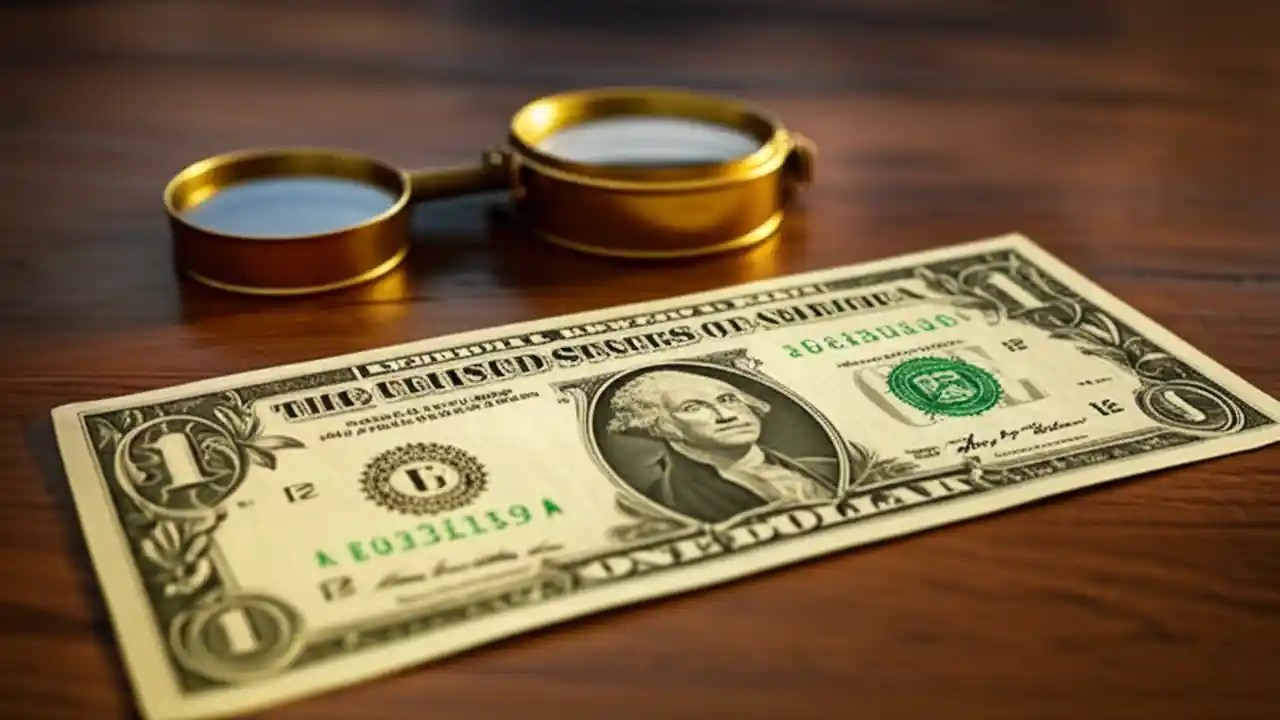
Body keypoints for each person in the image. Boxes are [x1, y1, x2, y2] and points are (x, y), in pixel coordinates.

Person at [606, 370, 838, 523]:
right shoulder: (671, 503)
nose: (727, 415)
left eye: (728, 399)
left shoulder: (826, 468)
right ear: (658, 426)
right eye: (692, 408)